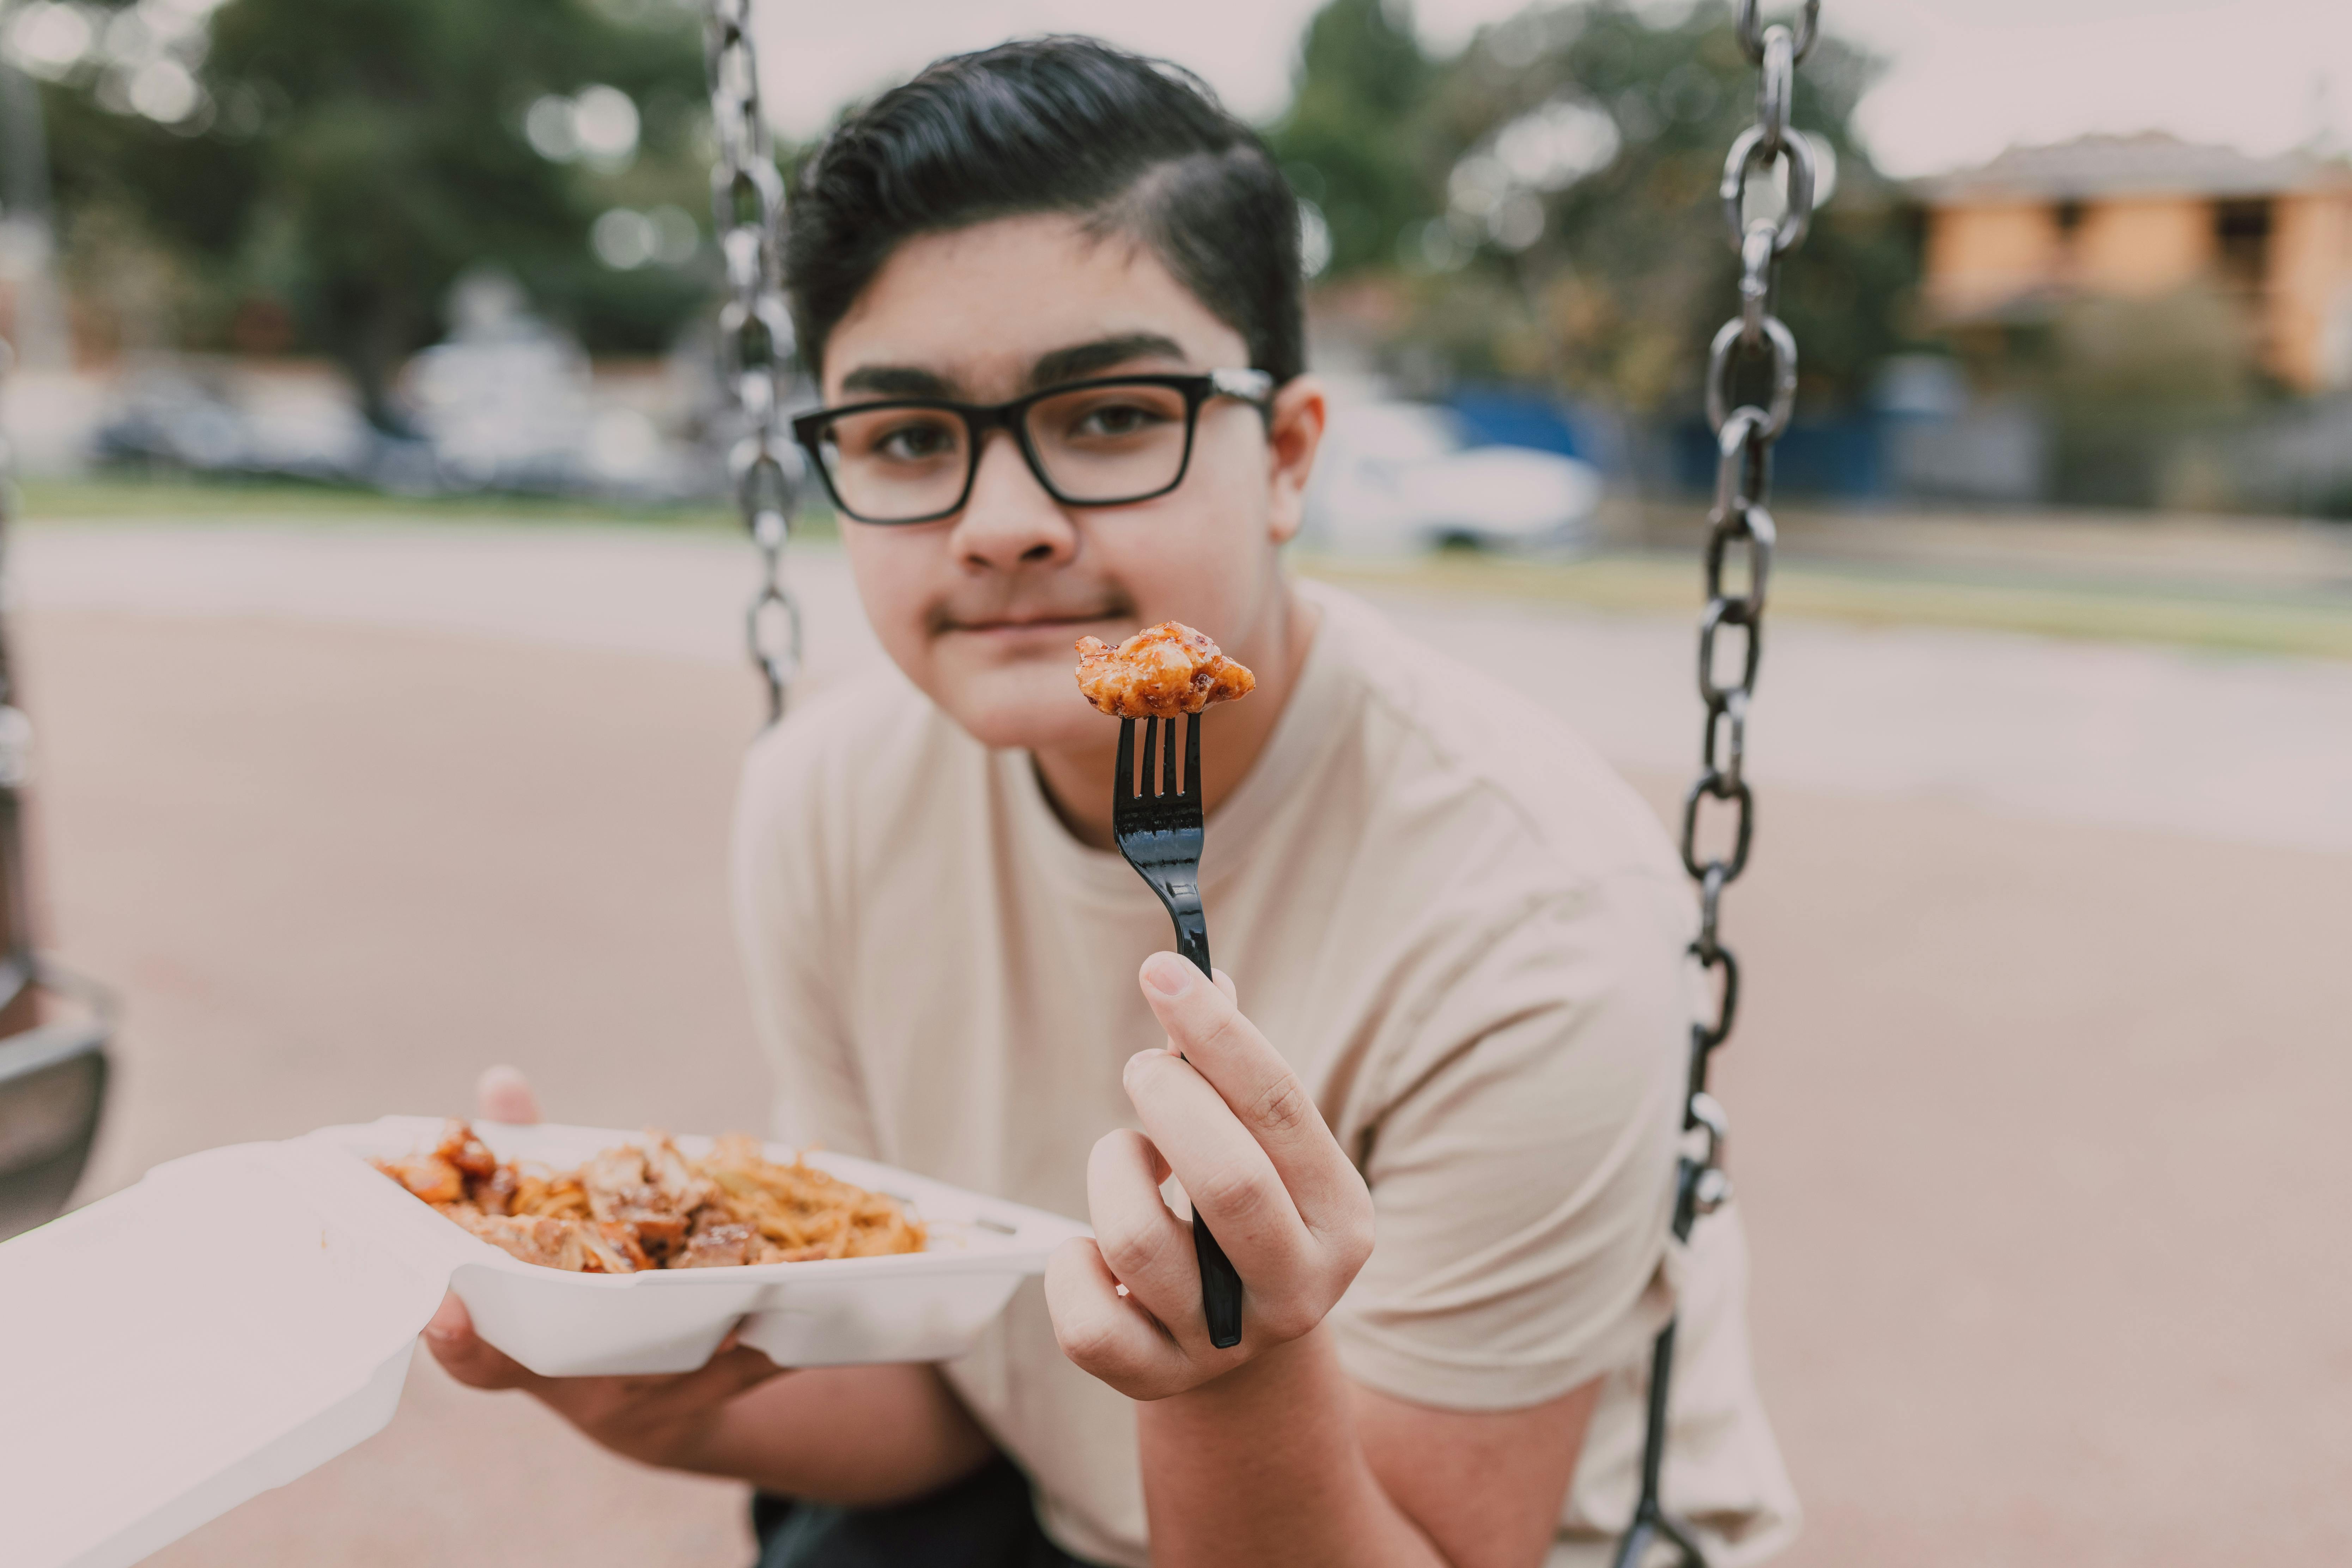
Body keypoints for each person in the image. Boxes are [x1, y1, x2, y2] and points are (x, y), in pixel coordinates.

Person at [426, 36, 1798, 1568]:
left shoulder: (1536, 914)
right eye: (906, 437)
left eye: (1109, 418)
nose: (1002, 524)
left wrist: (1238, 1371)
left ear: (1285, 456)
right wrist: (639, 1391)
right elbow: (946, 1391)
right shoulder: (826, 795)